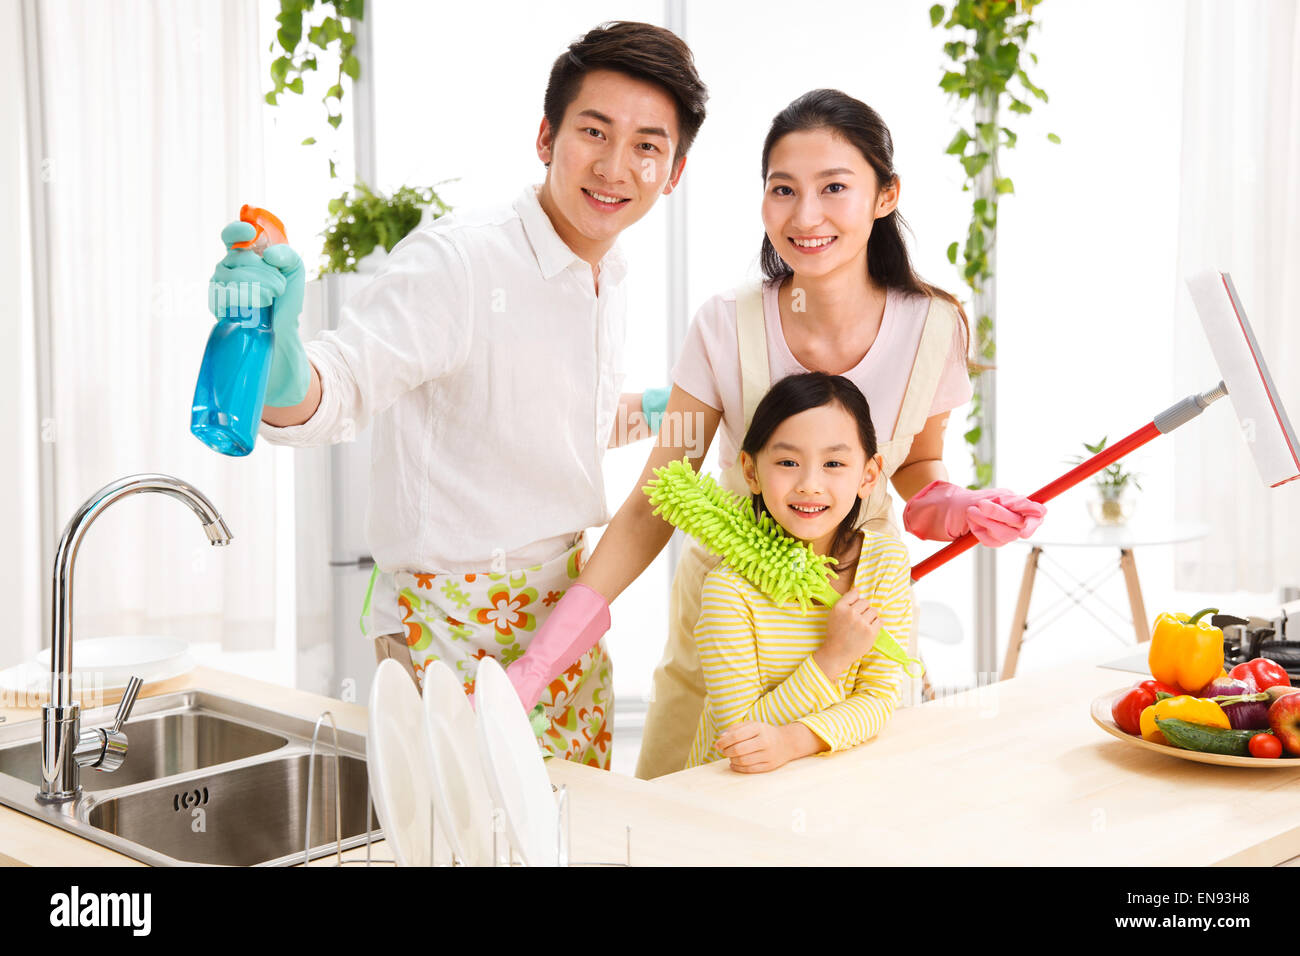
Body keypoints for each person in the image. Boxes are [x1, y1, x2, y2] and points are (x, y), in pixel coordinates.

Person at [208, 21, 708, 769]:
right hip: (445, 623)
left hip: (565, 613)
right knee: (452, 846)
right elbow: (339, 387)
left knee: (564, 840)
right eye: (594, 131)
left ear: (673, 172)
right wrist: (280, 371)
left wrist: (660, 409)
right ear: (546, 136)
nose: (614, 166)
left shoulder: (611, 275)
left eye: (646, 146)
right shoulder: (461, 263)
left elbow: (554, 423)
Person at [507, 88, 1045, 779]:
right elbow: (657, 496)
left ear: (886, 196)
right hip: (733, 622)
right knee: (697, 811)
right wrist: (548, 651)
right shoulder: (724, 324)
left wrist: (957, 505)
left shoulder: (934, 326)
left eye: (835, 187)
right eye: (783, 189)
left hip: (857, 616)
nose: (806, 216)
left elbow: (918, 466)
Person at [688, 371, 910, 772]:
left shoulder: (885, 563)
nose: (810, 484)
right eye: (788, 462)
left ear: (868, 475)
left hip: (835, 780)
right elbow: (740, 739)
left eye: (834, 463)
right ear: (751, 471)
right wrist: (833, 657)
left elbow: (879, 700)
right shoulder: (729, 590)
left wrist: (794, 740)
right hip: (732, 789)